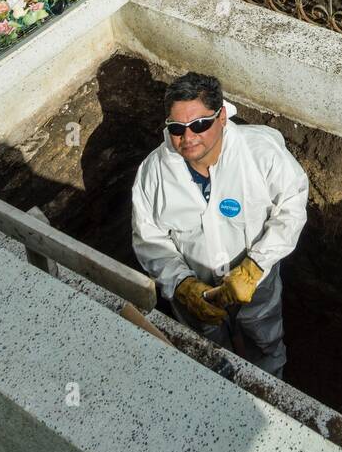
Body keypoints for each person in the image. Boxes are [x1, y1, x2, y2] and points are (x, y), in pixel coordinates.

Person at [131, 71, 308, 378]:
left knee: (265, 342)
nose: (188, 138)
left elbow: (291, 206)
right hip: (196, 295)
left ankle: (272, 396)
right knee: (205, 354)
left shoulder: (260, 154)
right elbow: (150, 239)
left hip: (256, 288)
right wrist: (182, 285)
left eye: (200, 124)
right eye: (177, 128)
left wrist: (254, 267)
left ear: (222, 116)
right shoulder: (154, 173)